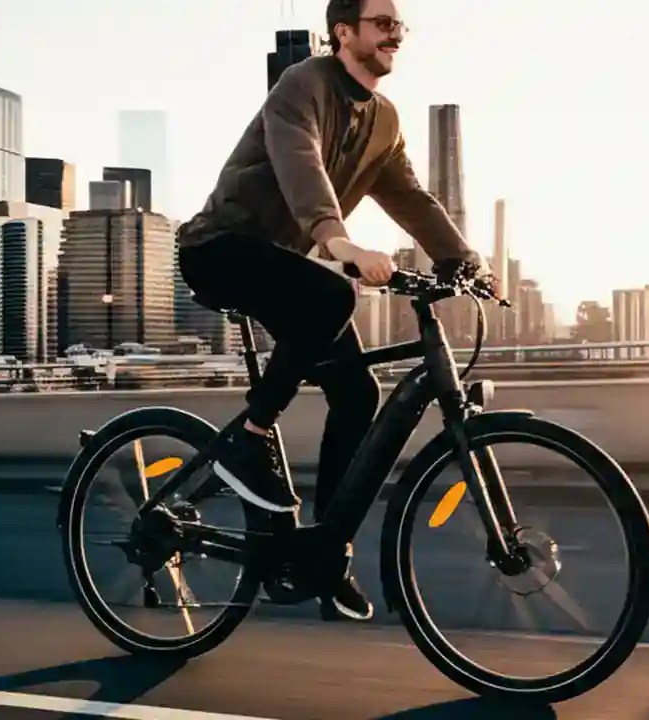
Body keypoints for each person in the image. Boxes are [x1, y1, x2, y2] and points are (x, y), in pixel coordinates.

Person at [177, 0, 492, 622]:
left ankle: (325, 554)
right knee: (333, 293)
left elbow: (407, 194)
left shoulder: (384, 120)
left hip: (283, 262)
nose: (394, 33)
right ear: (343, 32)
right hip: (220, 249)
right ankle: (252, 437)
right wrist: (335, 238)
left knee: (358, 394)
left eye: (399, 24)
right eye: (381, 22)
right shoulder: (304, 84)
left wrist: (463, 257)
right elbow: (302, 162)